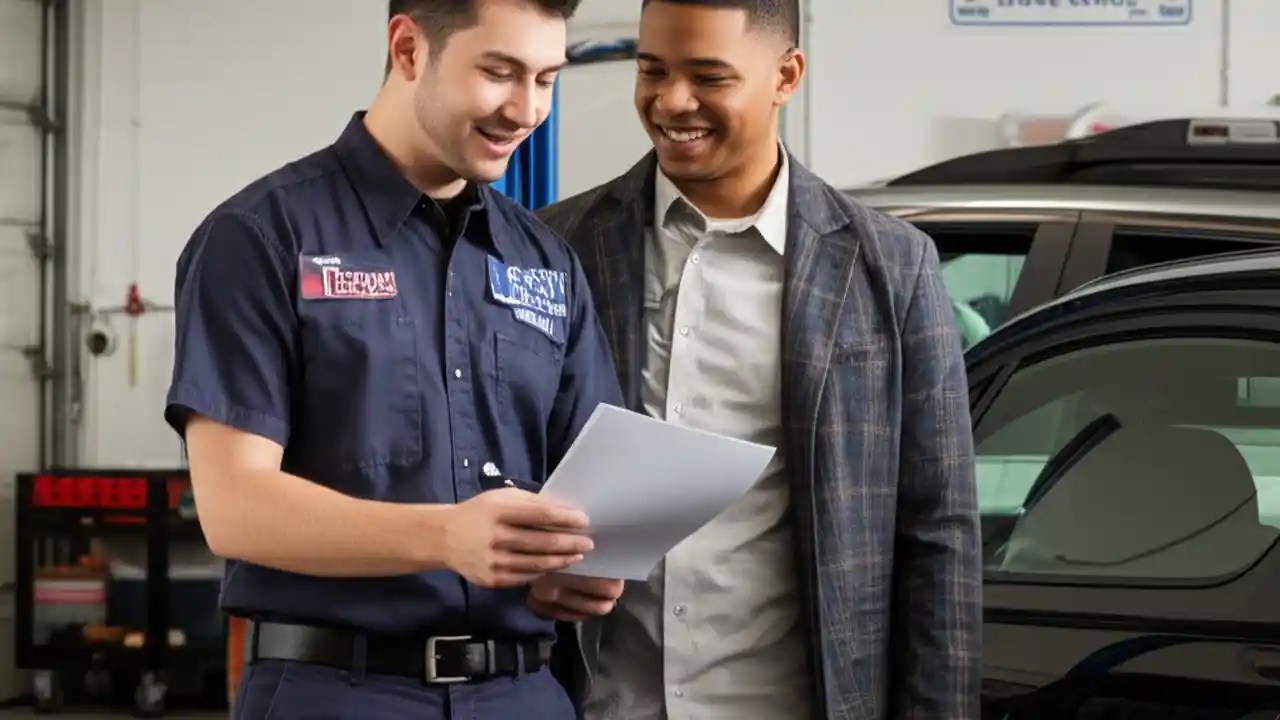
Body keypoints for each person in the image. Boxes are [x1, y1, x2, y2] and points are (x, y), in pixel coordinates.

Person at [163, 1, 626, 717]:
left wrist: (575, 568)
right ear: (409, 48)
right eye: (499, 73)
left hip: (526, 693)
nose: (526, 109)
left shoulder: (546, 262)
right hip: (333, 692)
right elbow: (234, 508)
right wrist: (446, 537)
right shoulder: (261, 238)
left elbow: (589, 485)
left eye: (546, 79)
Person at [531, 0, 983, 718]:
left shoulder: (891, 268)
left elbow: (938, 532)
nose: (672, 101)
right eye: (652, 70)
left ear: (786, 75)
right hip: (600, 702)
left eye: (709, 76)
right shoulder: (557, 247)